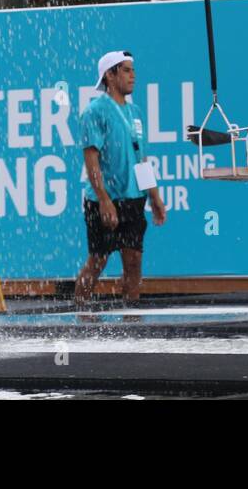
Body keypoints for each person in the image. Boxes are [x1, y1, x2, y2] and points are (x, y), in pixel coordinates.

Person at [74, 51, 167, 306]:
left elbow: (141, 158)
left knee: (134, 262)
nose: (133, 75)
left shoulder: (134, 111)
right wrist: (104, 200)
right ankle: (79, 315)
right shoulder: (94, 112)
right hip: (104, 200)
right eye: (126, 70)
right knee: (97, 262)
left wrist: (155, 197)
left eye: (133, 70)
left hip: (133, 199)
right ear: (110, 75)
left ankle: (132, 320)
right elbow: (91, 161)